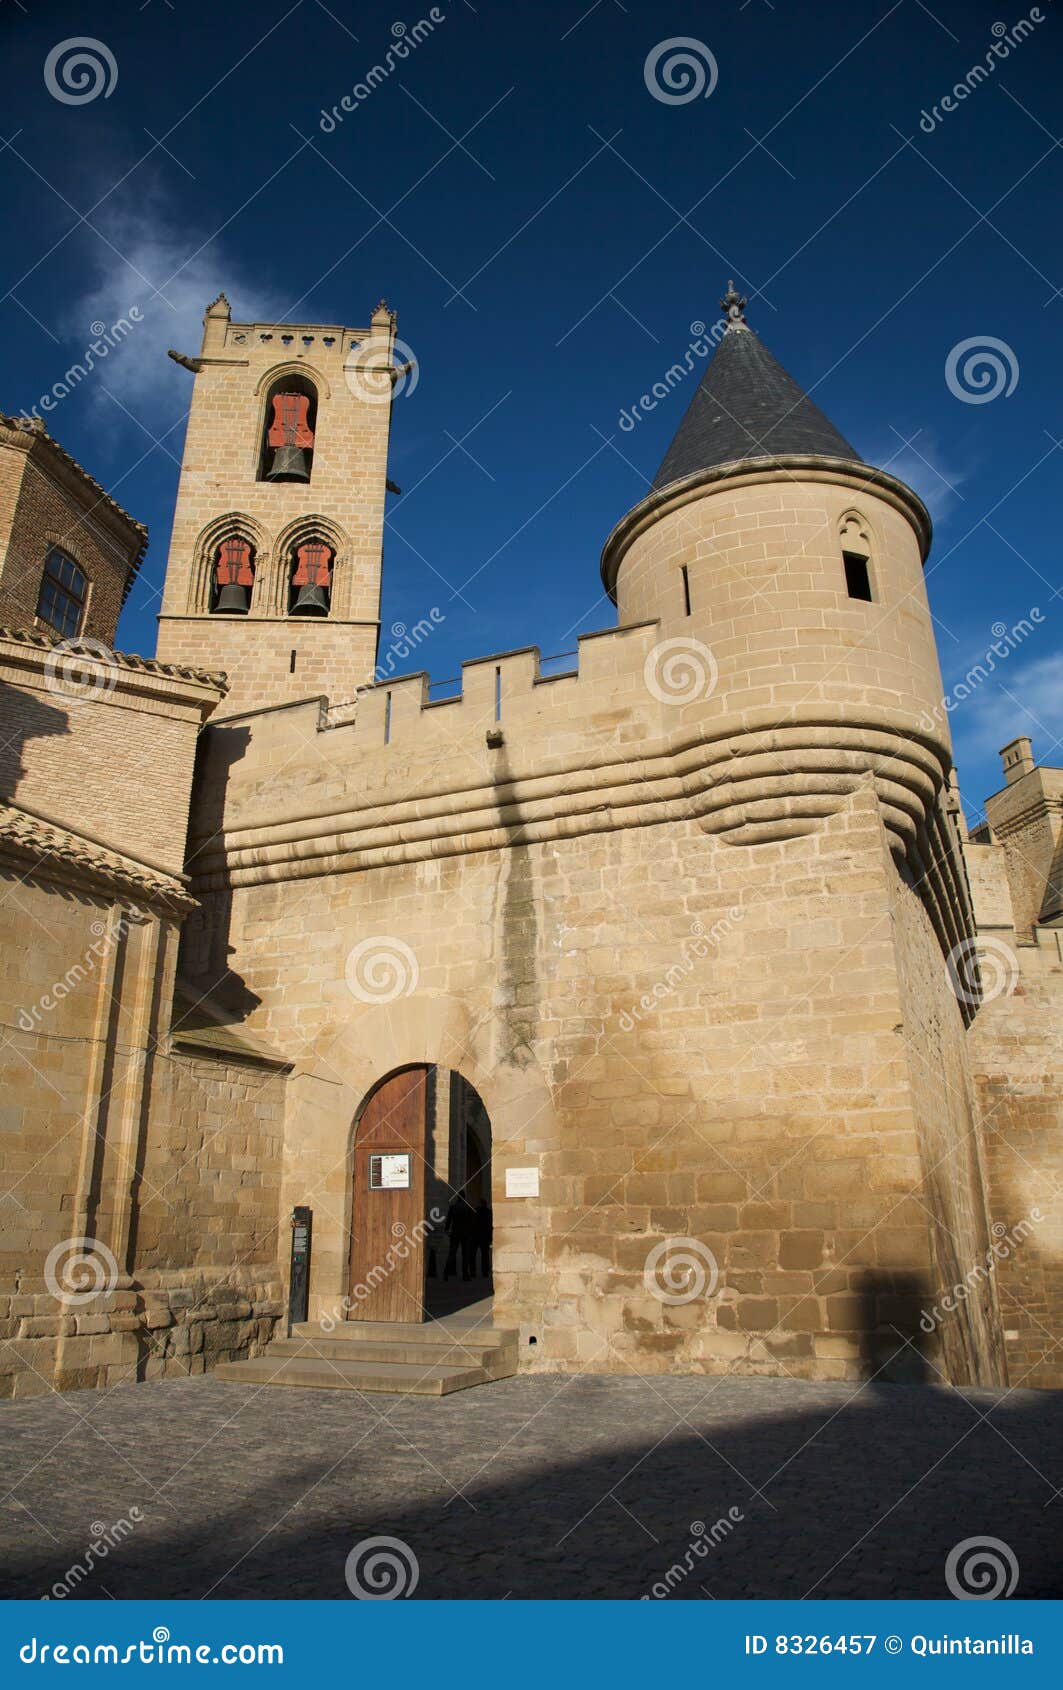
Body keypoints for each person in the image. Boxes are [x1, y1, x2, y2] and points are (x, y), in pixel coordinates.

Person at [443, 1192, 475, 1281]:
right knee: (465, 1254)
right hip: (465, 1233)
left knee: (452, 1253)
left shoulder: (453, 1207)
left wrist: (446, 1229)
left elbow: (448, 1220)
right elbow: (472, 1222)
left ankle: (446, 1273)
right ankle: (465, 1274)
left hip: (455, 1232)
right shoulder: (468, 1207)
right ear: (464, 1198)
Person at [471, 1199, 493, 1279]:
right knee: (485, 1255)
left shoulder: (475, 1211)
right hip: (485, 1236)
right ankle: (485, 1271)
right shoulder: (489, 1212)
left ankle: (473, 1271)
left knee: (473, 1254)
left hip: (475, 1236)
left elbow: (472, 1223)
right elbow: (490, 1225)